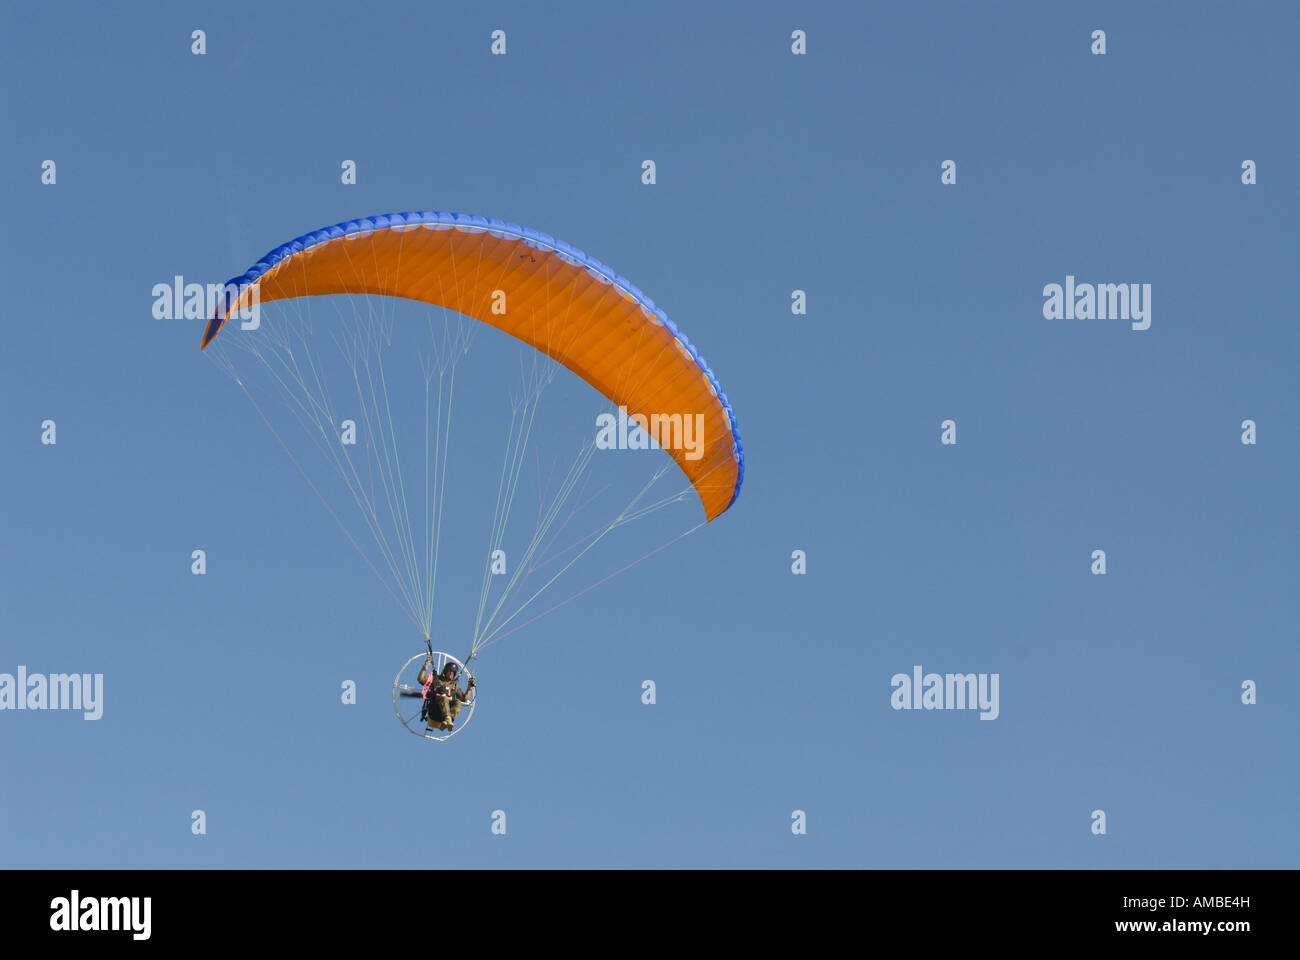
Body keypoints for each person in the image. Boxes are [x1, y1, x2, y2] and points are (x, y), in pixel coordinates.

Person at [417, 659, 474, 731]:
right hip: (435, 710)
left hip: (443, 717)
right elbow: (420, 679)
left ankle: (448, 721)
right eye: (450, 671)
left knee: (458, 702)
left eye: (453, 673)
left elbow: (465, 699)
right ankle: (447, 719)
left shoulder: (454, 685)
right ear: (445, 671)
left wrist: (469, 687)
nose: (451, 674)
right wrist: (425, 666)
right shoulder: (436, 679)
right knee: (444, 697)